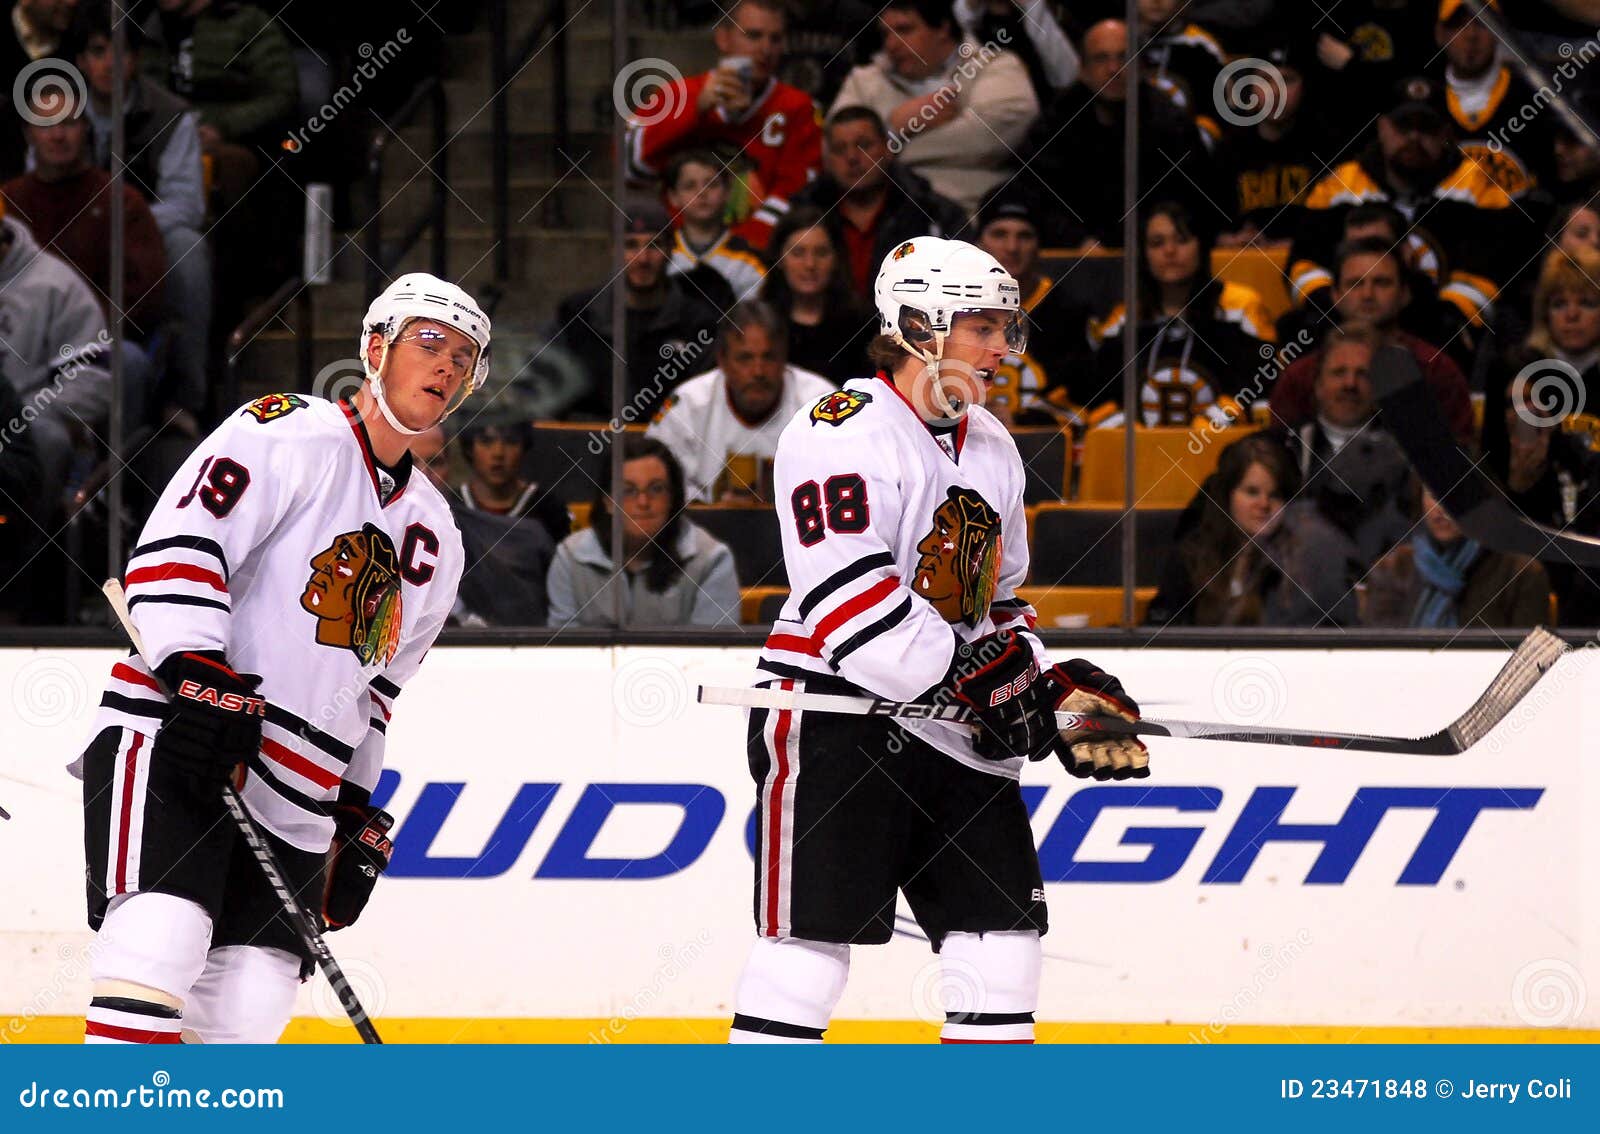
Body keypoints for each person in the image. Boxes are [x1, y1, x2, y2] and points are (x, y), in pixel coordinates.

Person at [732, 235, 1149, 1045]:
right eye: (983, 327)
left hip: (950, 727)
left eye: (1006, 327)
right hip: (835, 715)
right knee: (808, 955)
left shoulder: (991, 443)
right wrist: (983, 680)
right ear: (918, 323)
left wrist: (1046, 683)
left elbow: (1000, 603)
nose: (1003, 347)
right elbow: (849, 600)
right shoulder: (840, 429)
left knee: (1002, 949)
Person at [71, 272, 485, 1044]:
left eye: (465, 359)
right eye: (431, 344)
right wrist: (196, 678)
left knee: (248, 1011)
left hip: (300, 792)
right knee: (155, 949)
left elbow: (376, 692)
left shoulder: (437, 540)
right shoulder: (288, 430)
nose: (447, 368)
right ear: (374, 346)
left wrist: (353, 807)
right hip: (181, 740)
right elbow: (181, 546)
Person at [1287, 76, 1523, 331]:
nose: (1414, 138)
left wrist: (1443, 323)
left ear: (1446, 132)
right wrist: (1334, 310)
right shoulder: (1342, 184)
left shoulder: (1476, 184)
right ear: (1381, 127)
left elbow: (1493, 268)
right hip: (1344, 327)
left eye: (1427, 128)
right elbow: (1305, 263)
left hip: (1441, 333)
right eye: (1403, 126)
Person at [69, 0, 210, 422]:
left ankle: (184, 399)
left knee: (188, 247)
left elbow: (186, 204)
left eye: (120, 52)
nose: (109, 63)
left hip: (149, 228)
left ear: (135, 58)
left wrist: (129, 223)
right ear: (81, 60)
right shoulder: (59, 112)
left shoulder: (170, 114)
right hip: (73, 227)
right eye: (98, 51)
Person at [624, 0, 820, 245]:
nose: (765, 49)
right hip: (675, 250)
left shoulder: (797, 107)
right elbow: (628, 168)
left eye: (775, 39)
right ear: (723, 38)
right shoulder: (678, 95)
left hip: (758, 254)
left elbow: (796, 191)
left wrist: (739, 248)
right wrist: (694, 109)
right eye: (754, 35)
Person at [1019, 19, 1218, 247]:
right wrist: (1079, 241)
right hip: (1076, 256)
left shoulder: (1172, 124)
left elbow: (1194, 199)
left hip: (1154, 252)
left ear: (1141, 67)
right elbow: (1036, 197)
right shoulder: (1054, 124)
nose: (1114, 69)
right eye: (1101, 59)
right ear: (1083, 70)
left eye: (1124, 58)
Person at [829, 0, 1039, 214]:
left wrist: (882, 148)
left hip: (974, 213)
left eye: (904, 30)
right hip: (885, 218)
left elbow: (989, 138)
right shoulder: (864, 81)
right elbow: (832, 151)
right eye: (886, 34)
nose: (892, 44)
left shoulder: (996, 67)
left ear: (942, 29)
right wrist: (894, 126)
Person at [1087, 200, 1275, 428]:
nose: (1170, 251)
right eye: (1157, 243)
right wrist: (1129, 435)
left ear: (1201, 246)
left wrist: (1214, 425)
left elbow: (1264, 383)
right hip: (1141, 456)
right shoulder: (1124, 319)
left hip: (1224, 452)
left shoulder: (1241, 307)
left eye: (1182, 240)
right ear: (1144, 255)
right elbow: (1097, 397)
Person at [1145, 433, 1362, 627]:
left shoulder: (1312, 562)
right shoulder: (1191, 558)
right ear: (1228, 495)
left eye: (1275, 495)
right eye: (1252, 492)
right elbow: (1160, 632)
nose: (1263, 504)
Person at [1269, 239, 1474, 445]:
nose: (1367, 295)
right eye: (1355, 284)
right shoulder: (1300, 376)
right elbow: (1278, 461)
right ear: (1335, 295)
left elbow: (1458, 463)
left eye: (1382, 283)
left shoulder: (1437, 371)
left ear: (1404, 293)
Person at [537, 203, 723, 421]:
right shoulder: (576, 316)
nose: (642, 259)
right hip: (586, 447)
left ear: (671, 249)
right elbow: (544, 399)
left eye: (654, 246)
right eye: (630, 245)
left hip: (671, 449)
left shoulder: (698, 324)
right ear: (614, 250)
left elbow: (709, 411)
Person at [648, 300, 835, 502]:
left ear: (784, 357)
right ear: (722, 360)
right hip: (703, 530)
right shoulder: (688, 404)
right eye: (745, 358)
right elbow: (654, 479)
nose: (758, 371)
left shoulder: (819, 403)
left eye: (769, 357)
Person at [546, 435, 740, 628]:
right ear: (607, 502)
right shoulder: (570, 559)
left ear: (673, 498)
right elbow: (564, 653)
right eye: (628, 491)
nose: (643, 502)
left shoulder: (712, 560)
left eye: (656, 489)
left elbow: (712, 653)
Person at [786, 106, 968, 300]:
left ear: (888, 149)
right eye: (839, 149)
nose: (852, 158)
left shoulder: (934, 213)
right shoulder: (802, 214)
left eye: (864, 145)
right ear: (827, 160)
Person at [0, 201, 112, 514]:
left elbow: (93, 377)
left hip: (22, 429)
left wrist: (21, 416)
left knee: (44, 437)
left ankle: (27, 556)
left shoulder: (54, 283)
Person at [1273, 324, 1417, 564]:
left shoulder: (1406, 452)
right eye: (1339, 372)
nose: (1350, 384)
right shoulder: (1284, 448)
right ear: (1318, 385)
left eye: (1363, 374)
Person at [973, 187, 1094, 422]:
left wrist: (1023, 421)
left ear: (1039, 245)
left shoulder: (1069, 314)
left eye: (1024, 236)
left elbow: (1084, 401)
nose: (1012, 247)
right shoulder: (955, 308)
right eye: (999, 234)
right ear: (979, 243)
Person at [1363, 485, 1551, 629]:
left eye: (1454, 497)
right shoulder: (1391, 568)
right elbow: (1381, 659)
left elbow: (1531, 665)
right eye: (1433, 494)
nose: (1441, 509)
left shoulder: (1520, 574)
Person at [1430, 0, 1556, 200]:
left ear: (1501, 33)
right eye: (1460, 24)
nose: (1471, 35)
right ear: (1440, 34)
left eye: (1483, 23)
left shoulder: (1536, 98)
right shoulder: (1423, 101)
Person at [759, 206, 875, 383]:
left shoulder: (864, 325)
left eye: (821, 253)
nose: (810, 264)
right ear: (780, 259)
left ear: (836, 258)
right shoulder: (759, 323)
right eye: (798, 253)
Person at [663, 148, 767, 304]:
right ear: (673, 197)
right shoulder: (660, 255)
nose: (702, 193)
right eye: (690, 186)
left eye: (711, 184)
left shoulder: (751, 261)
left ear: (727, 191)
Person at [456, 419, 570, 546]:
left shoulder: (548, 509)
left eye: (511, 441)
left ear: (524, 447)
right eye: (486, 442)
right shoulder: (451, 505)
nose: (498, 453)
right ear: (469, 449)